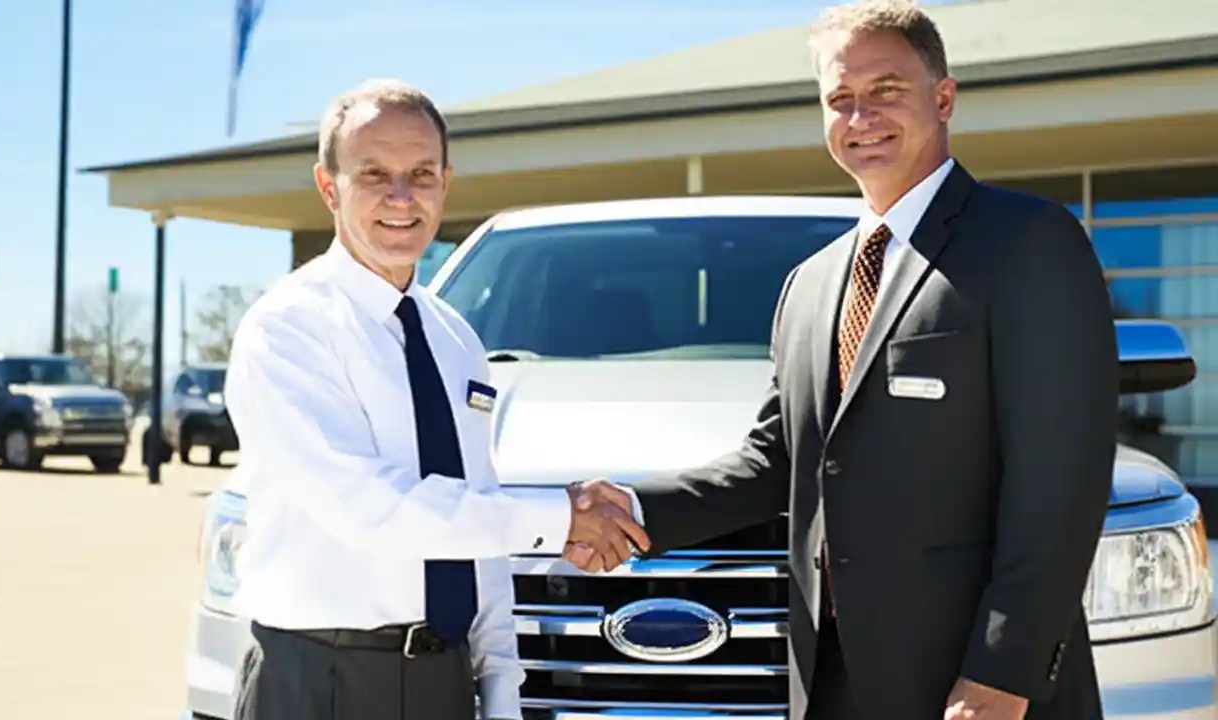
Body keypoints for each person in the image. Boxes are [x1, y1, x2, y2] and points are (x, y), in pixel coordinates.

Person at [569, 1, 1117, 718]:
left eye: (886, 91)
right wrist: (635, 510)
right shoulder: (811, 283)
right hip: (830, 678)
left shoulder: (1028, 243)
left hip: (973, 684)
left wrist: (1004, 671)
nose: (861, 117)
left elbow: (1060, 485)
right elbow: (778, 461)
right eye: (840, 99)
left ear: (943, 97)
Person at [223, 79, 648, 720]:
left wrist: (500, 686)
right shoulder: (287, 329)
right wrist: (560, 518)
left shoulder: (456, 341)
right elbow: (369, 508)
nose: (402, 196)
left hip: (443, 684)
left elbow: (475, 514)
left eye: (421, 172)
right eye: (374, 174)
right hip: (318, 681)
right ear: (328, 186)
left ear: (446, 181)